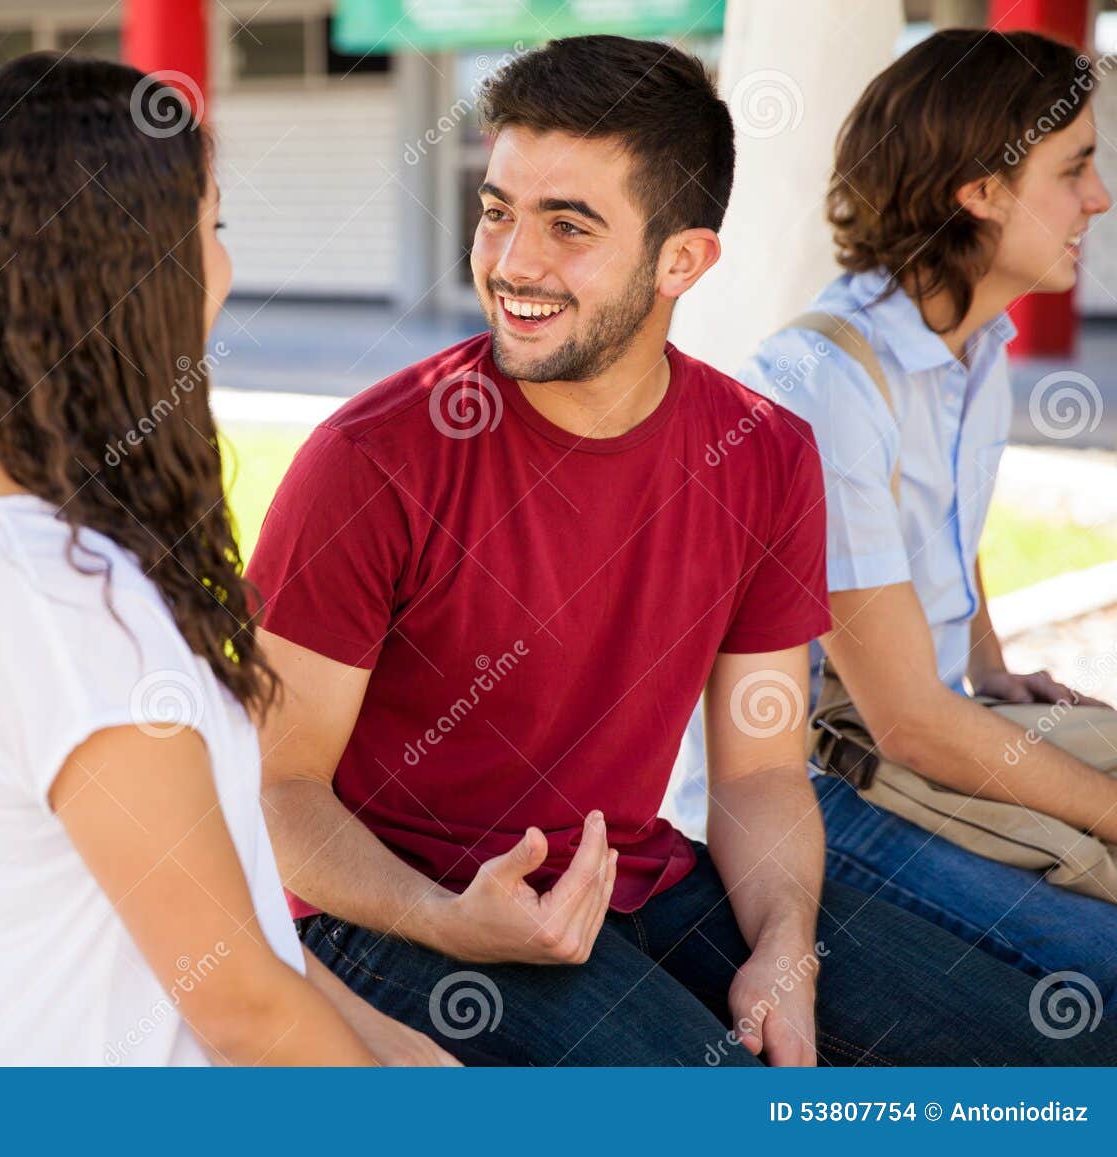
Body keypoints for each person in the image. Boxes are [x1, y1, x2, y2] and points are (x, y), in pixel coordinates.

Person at [246, 35, 1116, 1066]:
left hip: (635, 872)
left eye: (567, 226)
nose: (512, 261)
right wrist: (441, 915)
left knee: (1060, 1052)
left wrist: (785, 946)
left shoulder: (761, 452)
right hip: (388, 915)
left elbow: (753, 773)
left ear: (683, 260)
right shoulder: (369, 459)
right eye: (496, 210)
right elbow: (272, 787)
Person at [0, 53, 454, 1067]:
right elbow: (242, 1007)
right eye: (213, 229)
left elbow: (233, 931)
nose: (225, 268)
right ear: (131, 274)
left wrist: (413, 1056)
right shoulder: (63, 604)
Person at [736, 29, 1117, 996]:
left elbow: (949, 522)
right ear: (978, 192)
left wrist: (987, 660)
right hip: (827, 787)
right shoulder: (827, 382)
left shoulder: (972, 340)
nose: (1099, 200)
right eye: (1075, 169)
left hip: (937, 728)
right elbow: (904, 721)